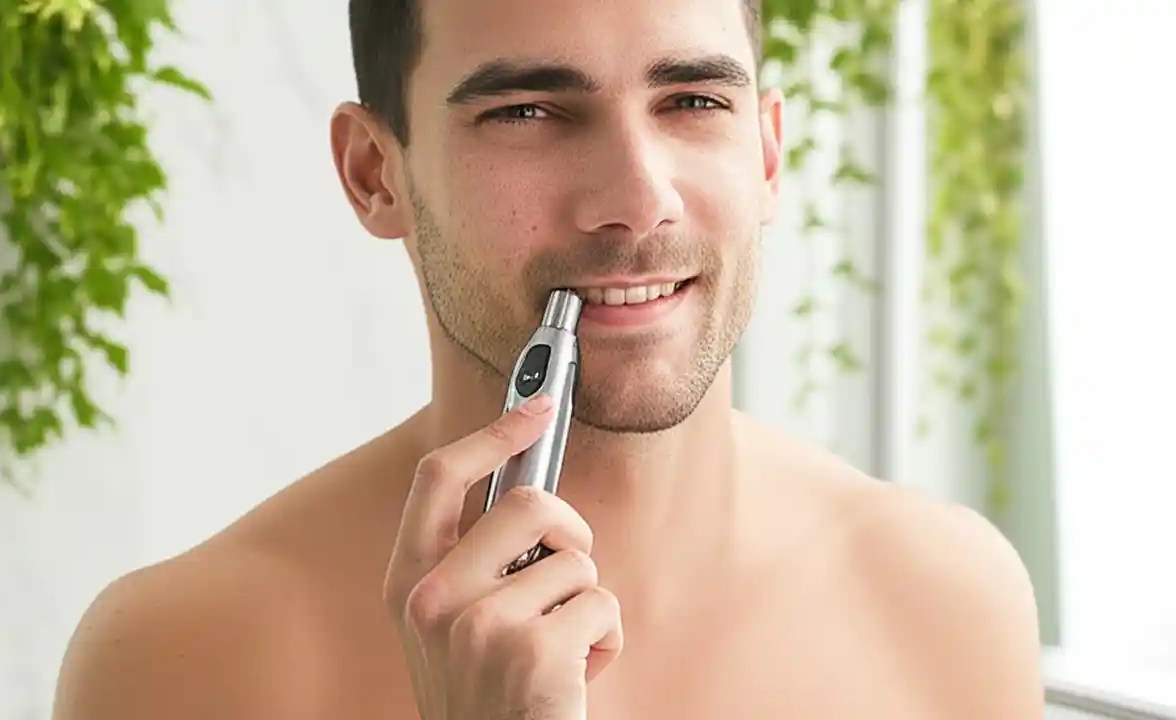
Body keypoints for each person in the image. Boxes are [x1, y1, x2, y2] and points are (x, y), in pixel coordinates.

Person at [52, 0, 1045, 717]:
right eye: (526, 111)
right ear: (374, 174)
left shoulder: (943, 601)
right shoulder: (178, 660)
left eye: (693, 101)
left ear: (767, 153)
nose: (637, 198)